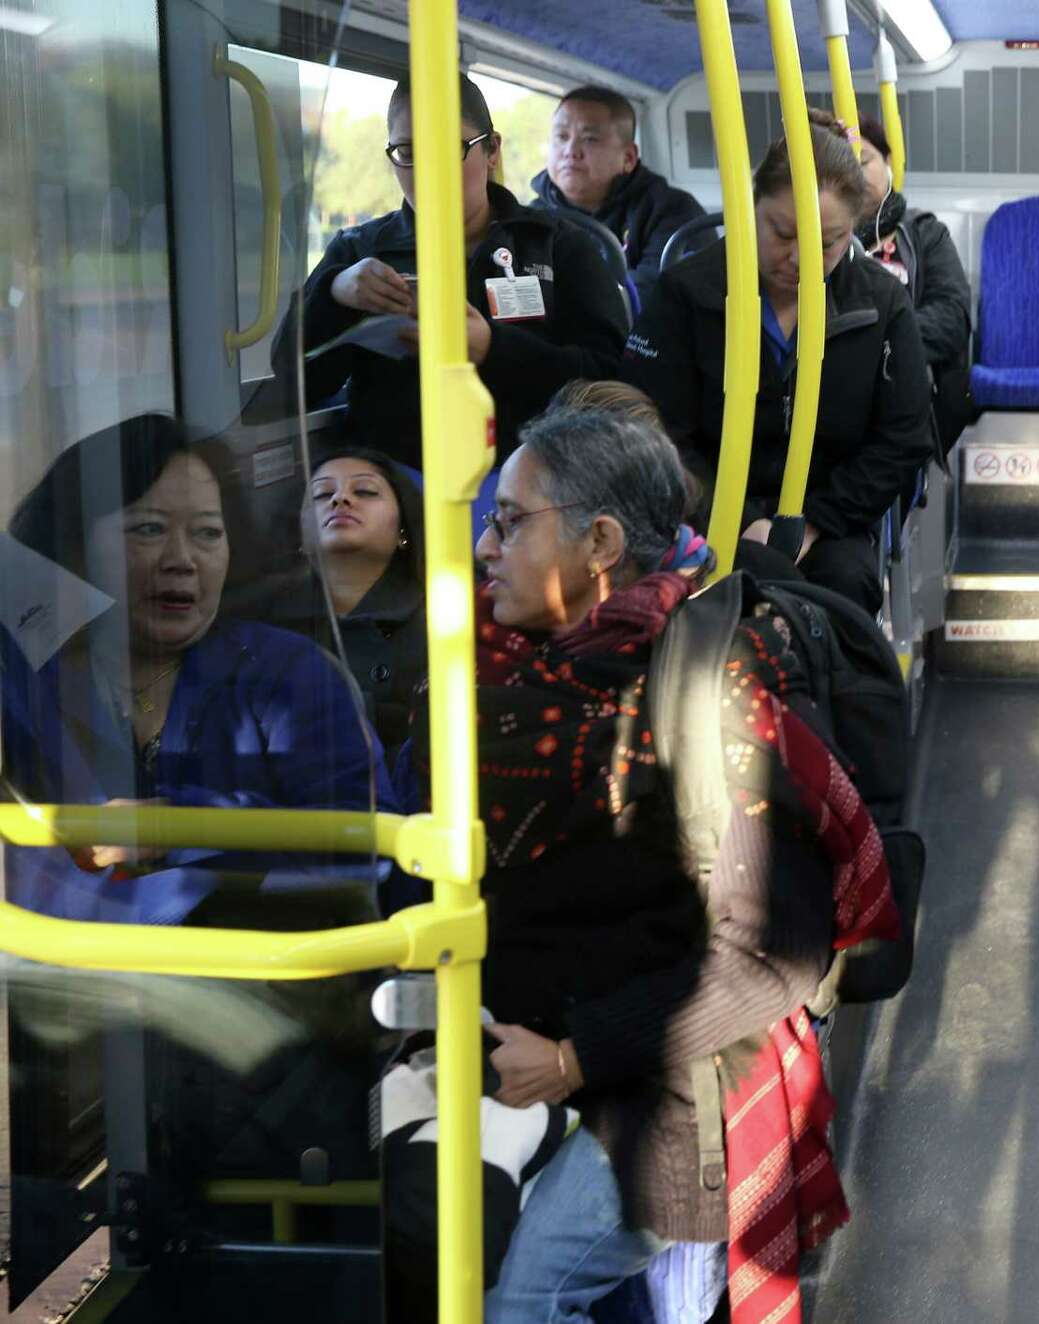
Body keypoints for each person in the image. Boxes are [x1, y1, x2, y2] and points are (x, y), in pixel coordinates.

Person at [410, 405, 891, 1323]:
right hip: (522, 1033)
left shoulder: (708, 693)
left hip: (667, 1081)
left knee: (528, 1301)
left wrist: (569, 1058)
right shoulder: (501, 665)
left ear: (600, 542)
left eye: (510, 522)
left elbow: (773, 955)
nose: (484, 549)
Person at [3, 415, 393, 926]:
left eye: (208, 533)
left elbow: (370, 847)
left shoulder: (288, 674)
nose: (182, 559)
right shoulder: (28, 675)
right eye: (149, 529)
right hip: (71, 990)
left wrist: (184, 827)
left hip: (255, 987)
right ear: (73, 546)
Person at [621, 116, 932, 614]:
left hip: (829, 521)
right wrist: (739, 520)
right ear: (752, 208)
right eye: (783, 233)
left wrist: (810, 523)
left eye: (828, 241)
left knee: (842, 595)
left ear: (852, 230)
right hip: (704, 510)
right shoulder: (687, 293)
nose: (801, 258)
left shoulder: (881, 304)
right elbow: (657, 432)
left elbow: (903, 437)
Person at [275, 74, 628, 469]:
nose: (427, 171)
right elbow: (292, 386)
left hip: (535, 483)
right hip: (397, 492)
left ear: (492, 150)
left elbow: (610, 384)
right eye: (408, 151)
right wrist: (334, 296)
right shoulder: (359, 252)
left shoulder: (557, 245)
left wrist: (493, 350)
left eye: (449, 149)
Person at [848, 110, 975, 451]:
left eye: (864, 162)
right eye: (840, 170)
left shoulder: (923, 233)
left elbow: (952, 316)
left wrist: (874, 345)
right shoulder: (811, 243)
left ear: (888, 161)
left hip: (906, 385)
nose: (854, 178)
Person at [297, 448, 427, 753]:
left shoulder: (448, 611)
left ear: (403, 530)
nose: (340, 499)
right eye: (321, 494)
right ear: (299, 535)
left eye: (366, 491)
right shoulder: (269, 623)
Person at [528, 85, 706, 306]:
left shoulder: (673, 212)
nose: (571, 150)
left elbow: (657, 297)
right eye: (561, 136)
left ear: (629, 158)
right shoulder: (530, 218)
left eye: (590, 139)